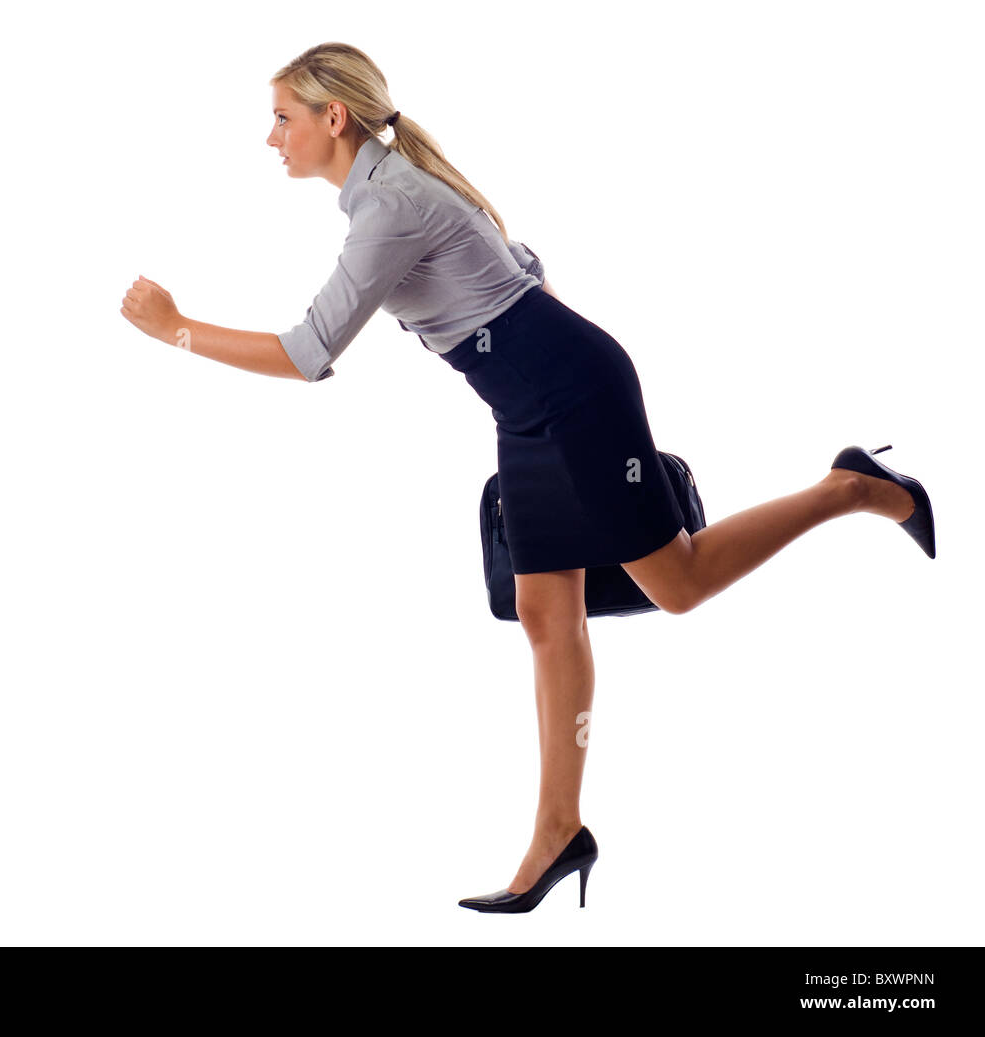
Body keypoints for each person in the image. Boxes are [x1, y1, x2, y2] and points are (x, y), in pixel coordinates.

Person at [120, 42, 937, 914]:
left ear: (335, 117)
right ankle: (559, 832)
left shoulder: (390, 206)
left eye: (282, 116)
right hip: (529, 408)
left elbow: (306, 352)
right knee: (548, 614)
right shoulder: (392, 193)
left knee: (680, 583)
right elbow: (525, 269)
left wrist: (174, 328)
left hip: (575, 396)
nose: (269, 136)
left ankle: (852, 487)